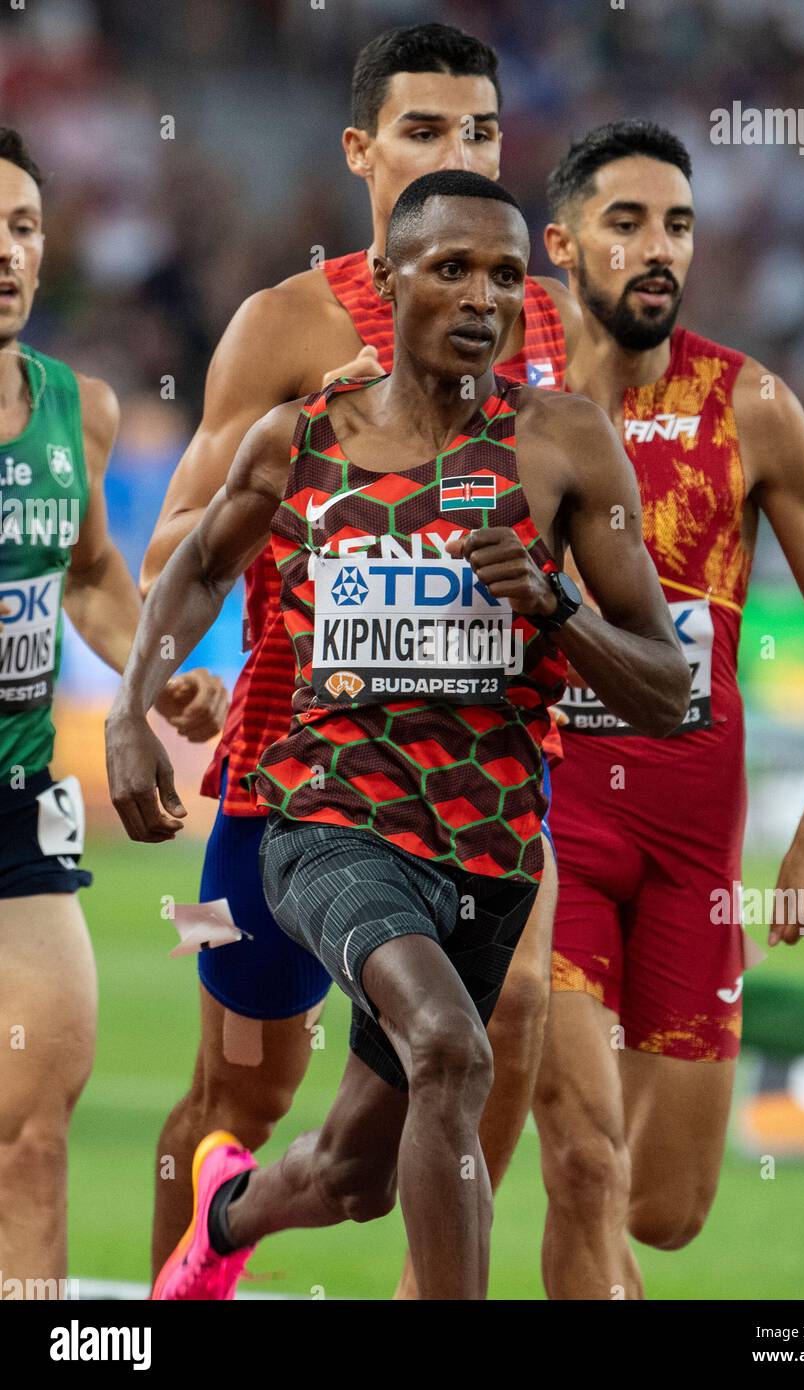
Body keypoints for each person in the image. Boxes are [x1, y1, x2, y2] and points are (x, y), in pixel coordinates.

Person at [106, 170, 690, 1300]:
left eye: (507, 276)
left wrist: (554, 610)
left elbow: (668, 688)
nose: (483, 297)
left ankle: (225, 1217)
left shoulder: (561, 446)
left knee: (353, 1176)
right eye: (452, 268)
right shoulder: (300, 439)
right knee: (452, 1049)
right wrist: (133, 704)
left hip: (488, 851)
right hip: (325, 823)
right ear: (385, 279)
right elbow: (195, 567)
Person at [139, 21, 580, 1288]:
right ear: (359, 150)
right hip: (292, 769)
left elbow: (583, 512)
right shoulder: (285, 325)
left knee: (497, 1017)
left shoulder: (536, 321)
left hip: (483, 773)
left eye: (481, 131)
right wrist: (316, 445)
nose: (459, 149)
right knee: (243, 1092)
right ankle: (175, 1281)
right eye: (425, 129)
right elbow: (185, 531)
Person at [533, 121, 804, 1298]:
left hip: (695, 849)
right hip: (546, 831)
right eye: (625, 222)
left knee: (666, 1208)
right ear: (562, 243)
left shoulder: (753, 406)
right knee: (582, 1161)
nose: (657, 248)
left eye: (676, 224)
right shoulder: (505, 406)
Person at [0, 128, 225, 1290]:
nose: (6, 253)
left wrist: (150, 674)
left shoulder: (73, 411)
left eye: (23, 228)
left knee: (35, 1131)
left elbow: (87, 574)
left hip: (16, 812)